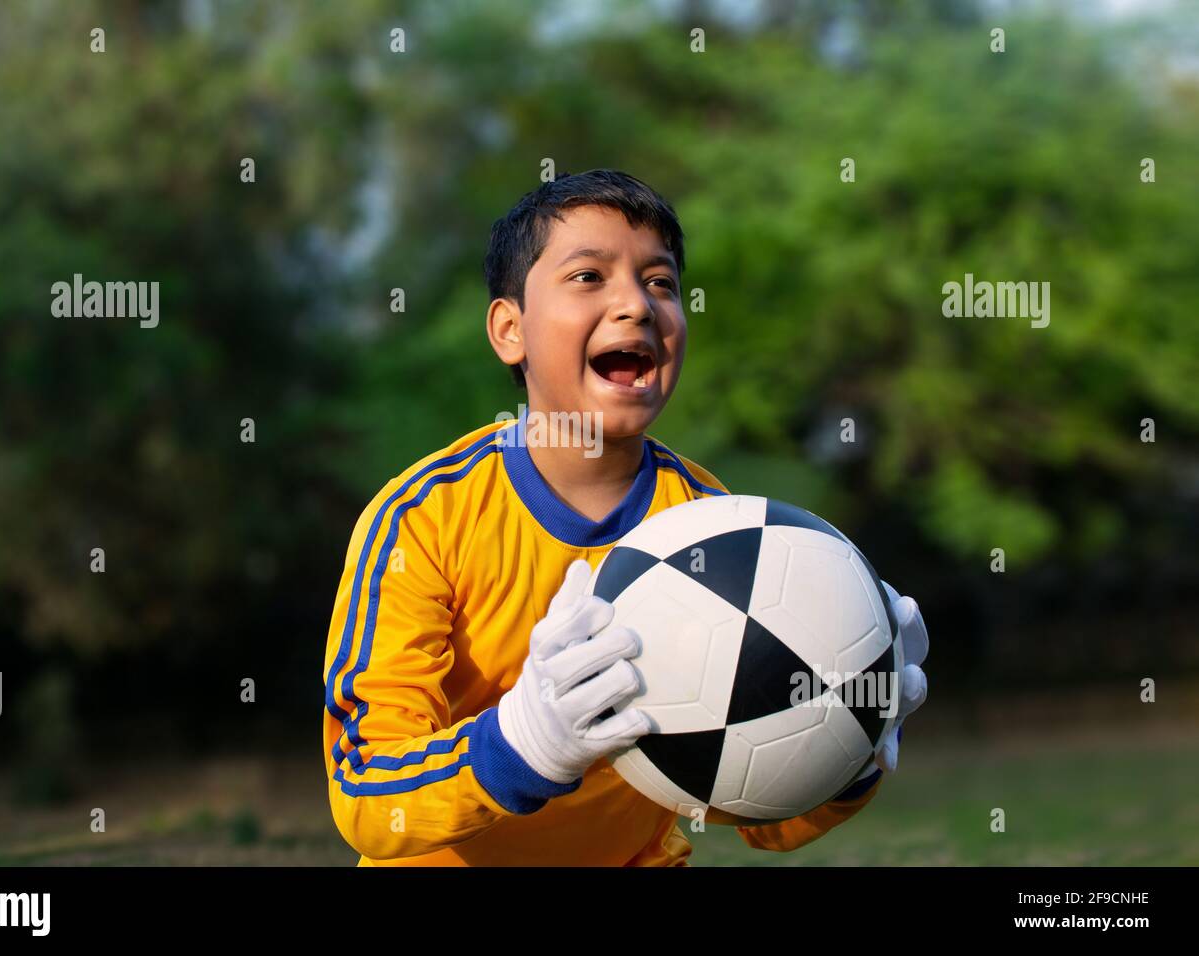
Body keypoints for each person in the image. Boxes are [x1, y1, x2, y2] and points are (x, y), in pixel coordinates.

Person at [322, 169, 929, 866]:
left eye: (661, 282)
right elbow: (365, 793)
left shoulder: (717, 528)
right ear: (509, 329)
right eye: (588, 277)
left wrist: (851, 739)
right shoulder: (422, 518)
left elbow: (761, 814)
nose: (636, 305)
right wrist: (521, 744)